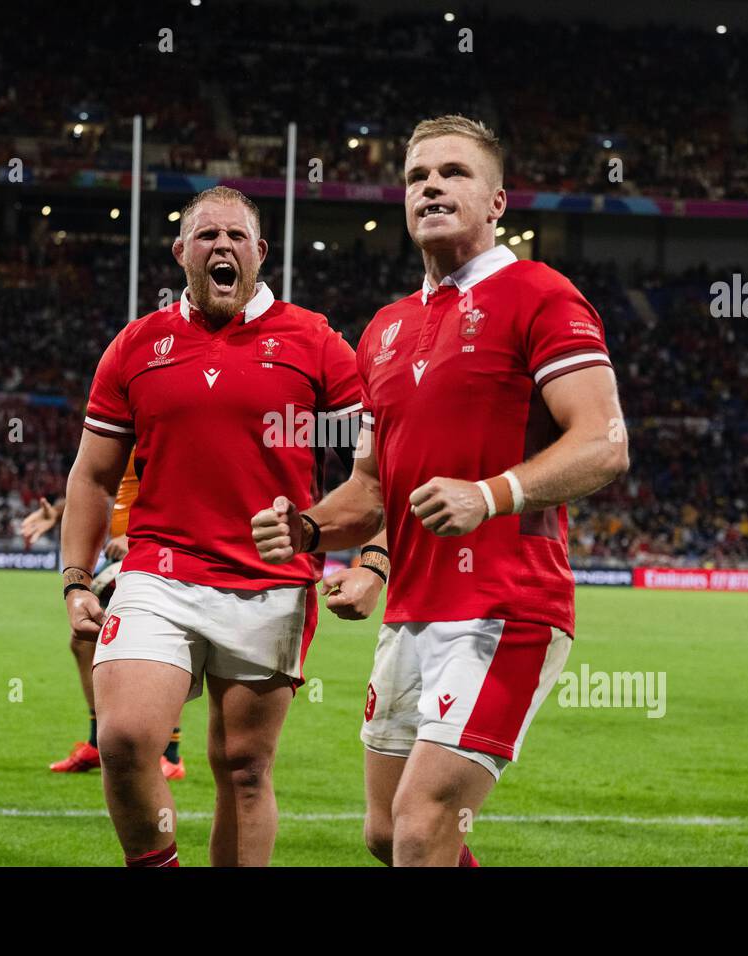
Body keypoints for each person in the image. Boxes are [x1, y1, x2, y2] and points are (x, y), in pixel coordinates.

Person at [252, 115, 629, 866]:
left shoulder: (541, 294)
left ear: (496, 203)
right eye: (418, 175)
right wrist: (308, 530)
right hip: (413, 611)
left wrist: (489, 495)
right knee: (387, 835)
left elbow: (604, 443)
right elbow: (368, 488)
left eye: (454, 173)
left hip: (507, 605)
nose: (430, 185)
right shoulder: (385, 330)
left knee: (424, 823)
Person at [61, 186, 361, 866]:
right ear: (180, 254)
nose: (221, 246)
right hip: (157, 574)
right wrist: (77, 578)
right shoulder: (138, 344)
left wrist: (364, 556)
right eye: (205, 236)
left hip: (270, 583)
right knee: (126, 739)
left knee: (244, 768)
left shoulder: (315, 341)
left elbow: (375, 468)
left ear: (259, 252)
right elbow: (92, 475)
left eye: (235, 236)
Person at [20, 457, 186, 778]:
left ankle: (171, 755)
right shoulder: (117, 425)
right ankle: (98, 744)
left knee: (160, 648)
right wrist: (56, 512)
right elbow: (97, 482)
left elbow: (181, 488)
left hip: (160, 551)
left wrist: (139, 535)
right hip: (121, 556)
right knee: (85, 639)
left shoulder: (160, 419)